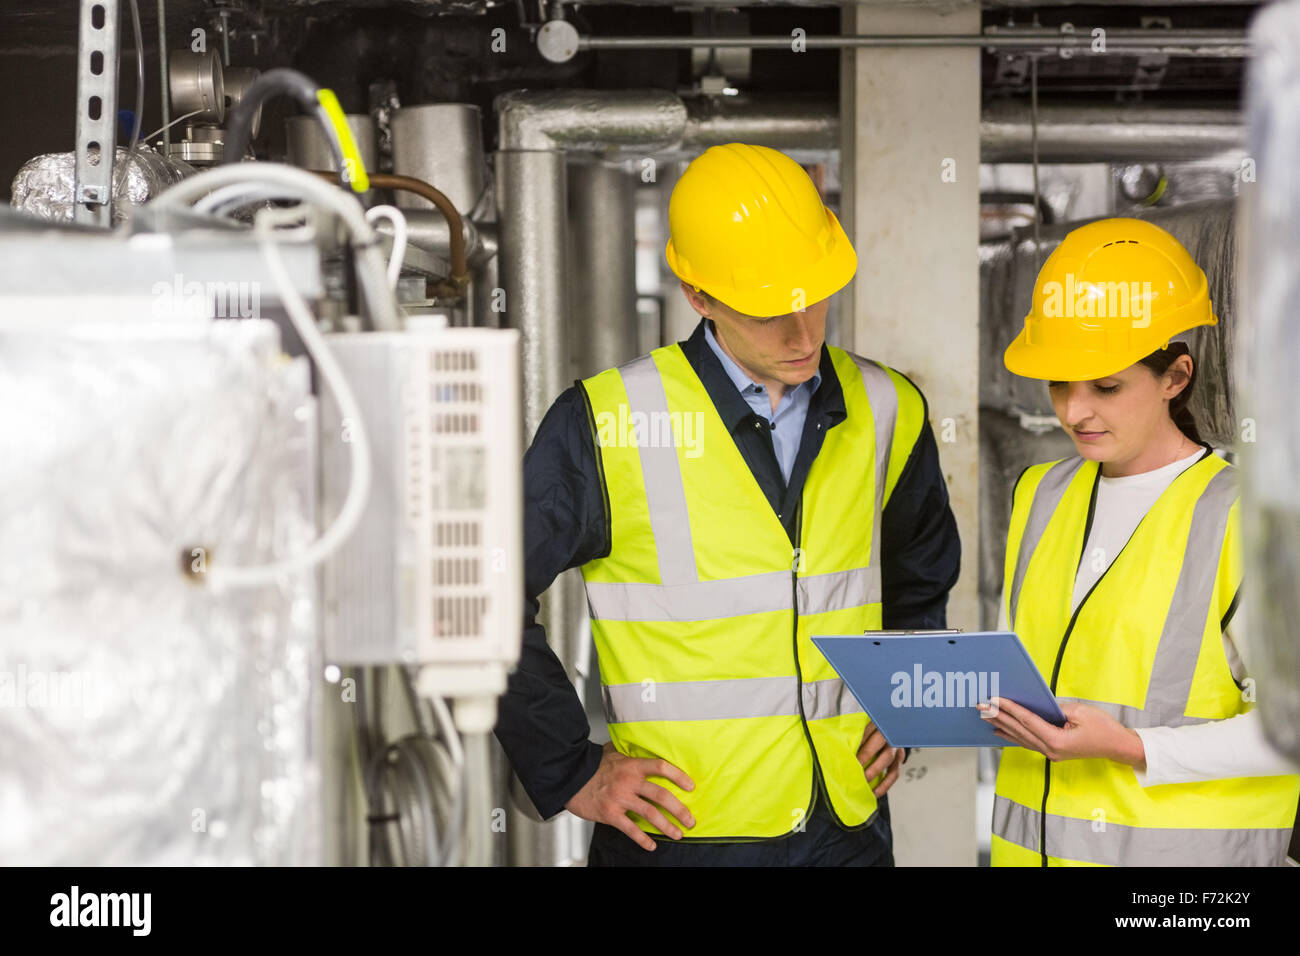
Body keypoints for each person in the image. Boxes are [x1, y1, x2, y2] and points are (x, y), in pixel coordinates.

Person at [493, 143, 961, 866]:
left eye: (813, 294)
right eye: (770, 309)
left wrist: (905, 696)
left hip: (848, 835)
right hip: (682, 836)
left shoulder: (887, 407)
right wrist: (571, 770)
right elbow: (480, 593)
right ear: (699, 295)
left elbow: (918, 574)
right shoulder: (609, 420)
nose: (803, 331)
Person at [982, 217, 1300, 867]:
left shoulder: (1245, 517)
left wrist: (1133, 747)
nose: (1075, 411)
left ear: (1175, 377)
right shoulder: (1037, 494)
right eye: (1060, 383)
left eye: (1106, 386)